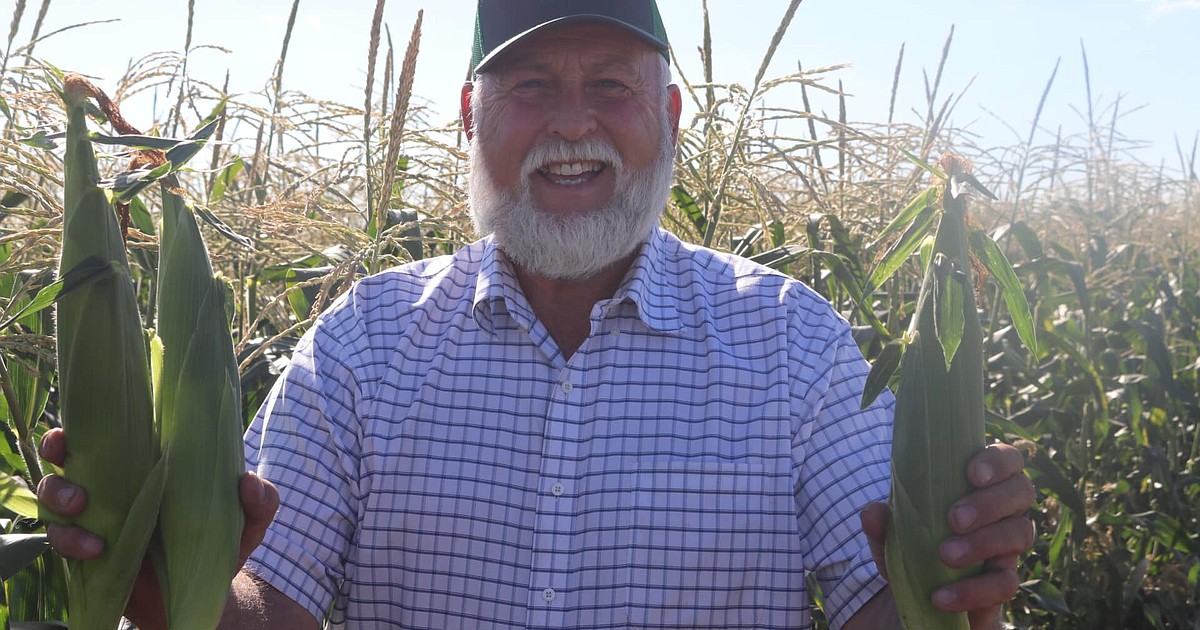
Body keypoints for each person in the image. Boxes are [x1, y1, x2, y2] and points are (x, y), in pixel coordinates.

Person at [38, 1, 1037, 628]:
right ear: (469, 121)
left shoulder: (794, 344)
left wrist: (957, 581)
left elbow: (884, 600)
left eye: (610, 85)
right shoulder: (364, 342)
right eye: (529, 87)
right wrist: (171, 591)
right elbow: (273, 601)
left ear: (670, 118)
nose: (571, 122)